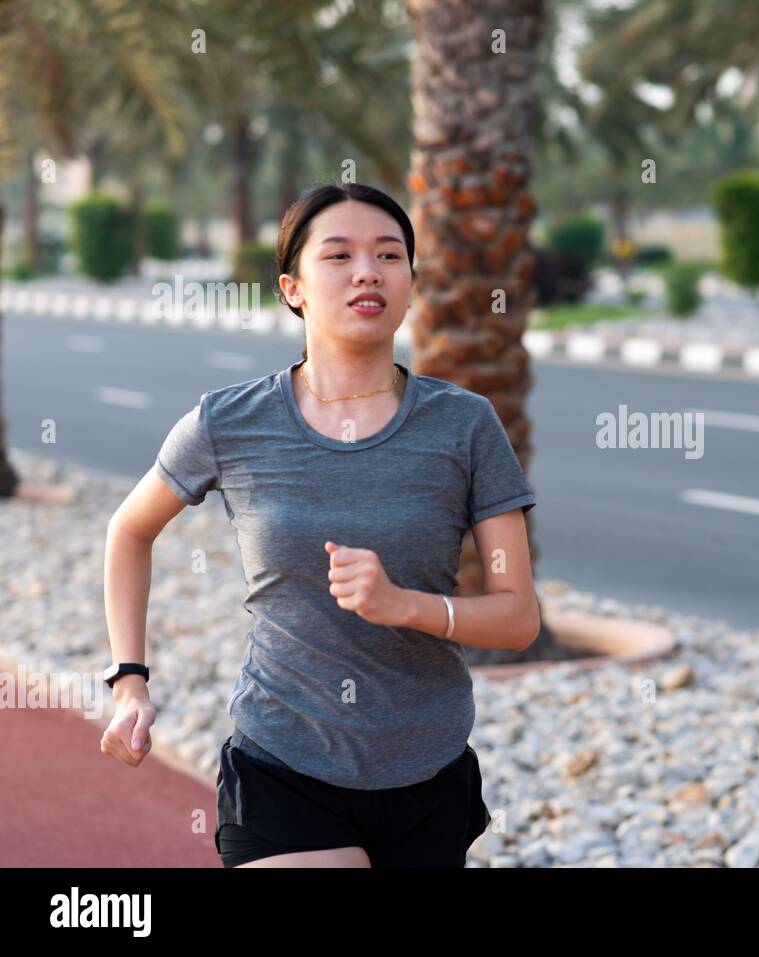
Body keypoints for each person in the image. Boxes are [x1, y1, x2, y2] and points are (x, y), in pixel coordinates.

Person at [101, 183, 539, 867]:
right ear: (293, 287)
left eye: (389, 254)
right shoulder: (229, 421)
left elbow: (517, 618)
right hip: (282, 765)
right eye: (338, 255)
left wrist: (406, 606)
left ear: (411, 282)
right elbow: (129, 531)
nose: (368, 271)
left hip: (428, 774)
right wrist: (130, 677)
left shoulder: (466, 425)